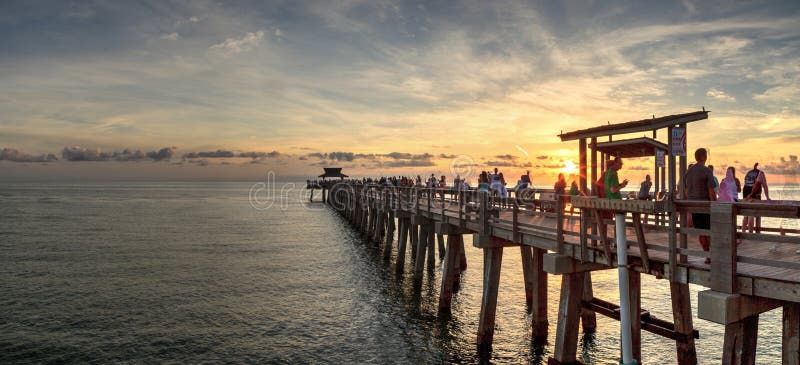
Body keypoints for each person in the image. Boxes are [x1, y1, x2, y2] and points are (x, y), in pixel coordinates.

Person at [683, 148, 717, 264]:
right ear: (703, 157)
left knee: (702, 232)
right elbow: (711, 190)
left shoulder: (688, 172)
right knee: (710, 232)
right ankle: (711, 255)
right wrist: (715, 205)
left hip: (693, 206)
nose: (707, 157)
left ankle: (707, 256)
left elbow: (686, 191)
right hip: (705, 206)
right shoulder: (707, 170)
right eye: (706, 155)